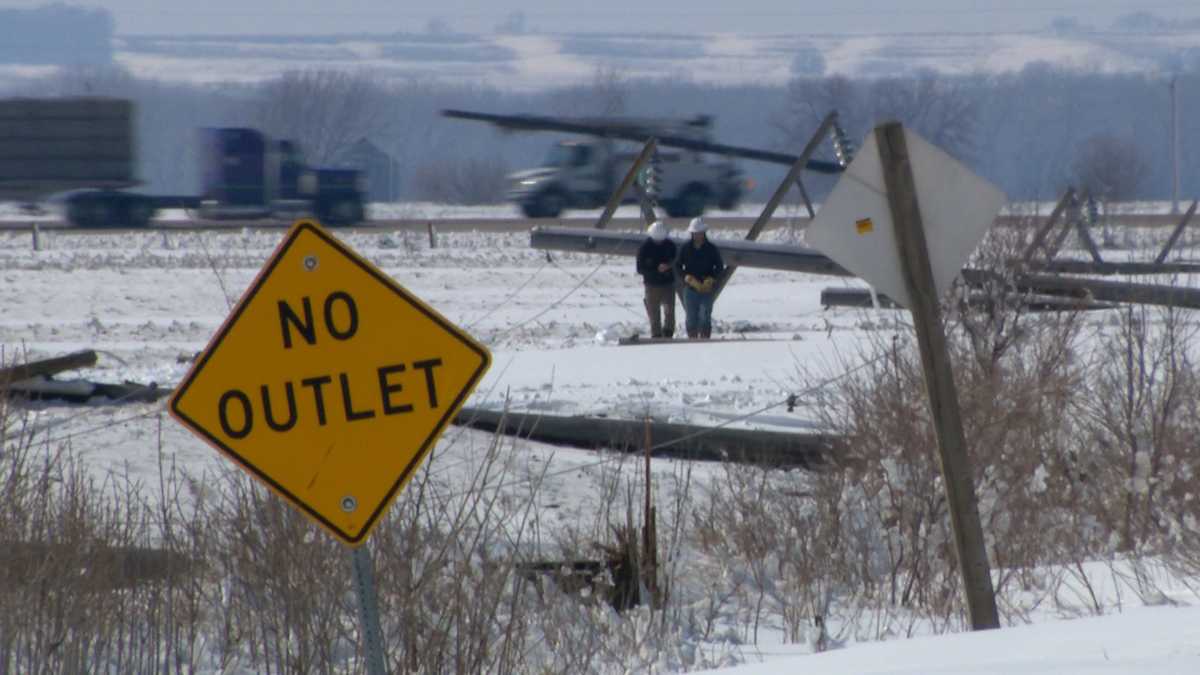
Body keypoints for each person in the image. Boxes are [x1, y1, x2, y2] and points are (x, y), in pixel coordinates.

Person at [675, 216, 724, 339]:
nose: (698, 236)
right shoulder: (685, 248)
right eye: (696, 233)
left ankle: (705, 338)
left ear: (704, 233)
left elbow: (719, 266)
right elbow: (677, 266)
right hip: (690, 288)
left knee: (705, 315)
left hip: (706, 288)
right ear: (692, 233)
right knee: (691, 317)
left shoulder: (711, 249)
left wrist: (712, 278)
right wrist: (685, 277)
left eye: (700, 233)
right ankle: (692, 338)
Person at [635, 220, 677, 338]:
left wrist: (668, 266)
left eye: (661, 240)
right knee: (654, 312)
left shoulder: (670, 245)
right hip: (651, 284)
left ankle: (668, 332)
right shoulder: (644, 248)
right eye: (657, 240)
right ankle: (656, 335)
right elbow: (640, 269)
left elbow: (675, 260)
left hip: (668, 283)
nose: (659, 242)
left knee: (669, 311)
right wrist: (655, 270)